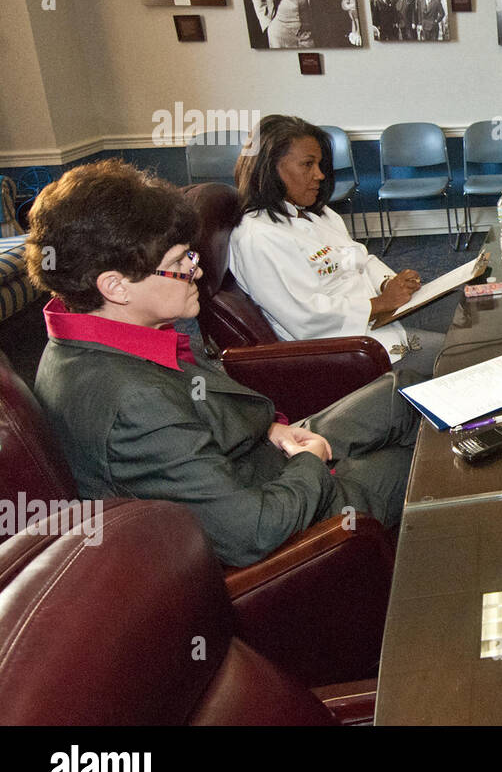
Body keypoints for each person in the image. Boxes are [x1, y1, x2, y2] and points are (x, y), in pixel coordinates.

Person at [26, 159, 420, 567]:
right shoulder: (134, 403)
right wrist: (310, 461)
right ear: (115, 285)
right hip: (285, 507)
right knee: (431, 458)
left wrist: (272, 431)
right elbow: (251, 532)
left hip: (260, 454)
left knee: (410, 393)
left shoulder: (92, 335)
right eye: (180, 262)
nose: (195, 270)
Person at [228, 115, 443, 376]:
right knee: (463, 352)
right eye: (308, 164)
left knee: (477, 311)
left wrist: (389, 282)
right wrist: (379, 303)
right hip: (350, 350)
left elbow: (361, 258)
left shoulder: (316, 213)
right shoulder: (258, 237)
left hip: (380, 318)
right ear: (270, 167)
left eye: (319, 164)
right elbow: (305, 318)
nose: (319, 175)